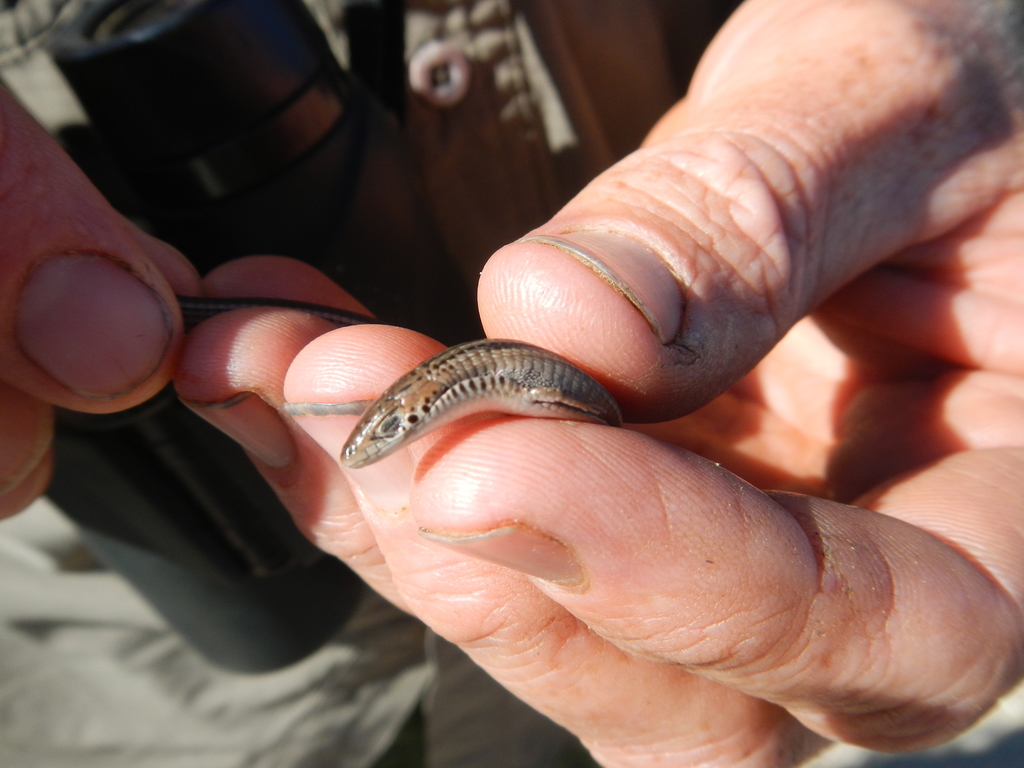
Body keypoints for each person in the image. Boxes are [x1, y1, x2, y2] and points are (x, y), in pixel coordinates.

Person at [3, 0, 1024, 766]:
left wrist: (965, 50)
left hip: (744, 378)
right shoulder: (421, 406)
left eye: (398, 422)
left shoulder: (459, 394)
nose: (391, 428)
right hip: (174, 659)